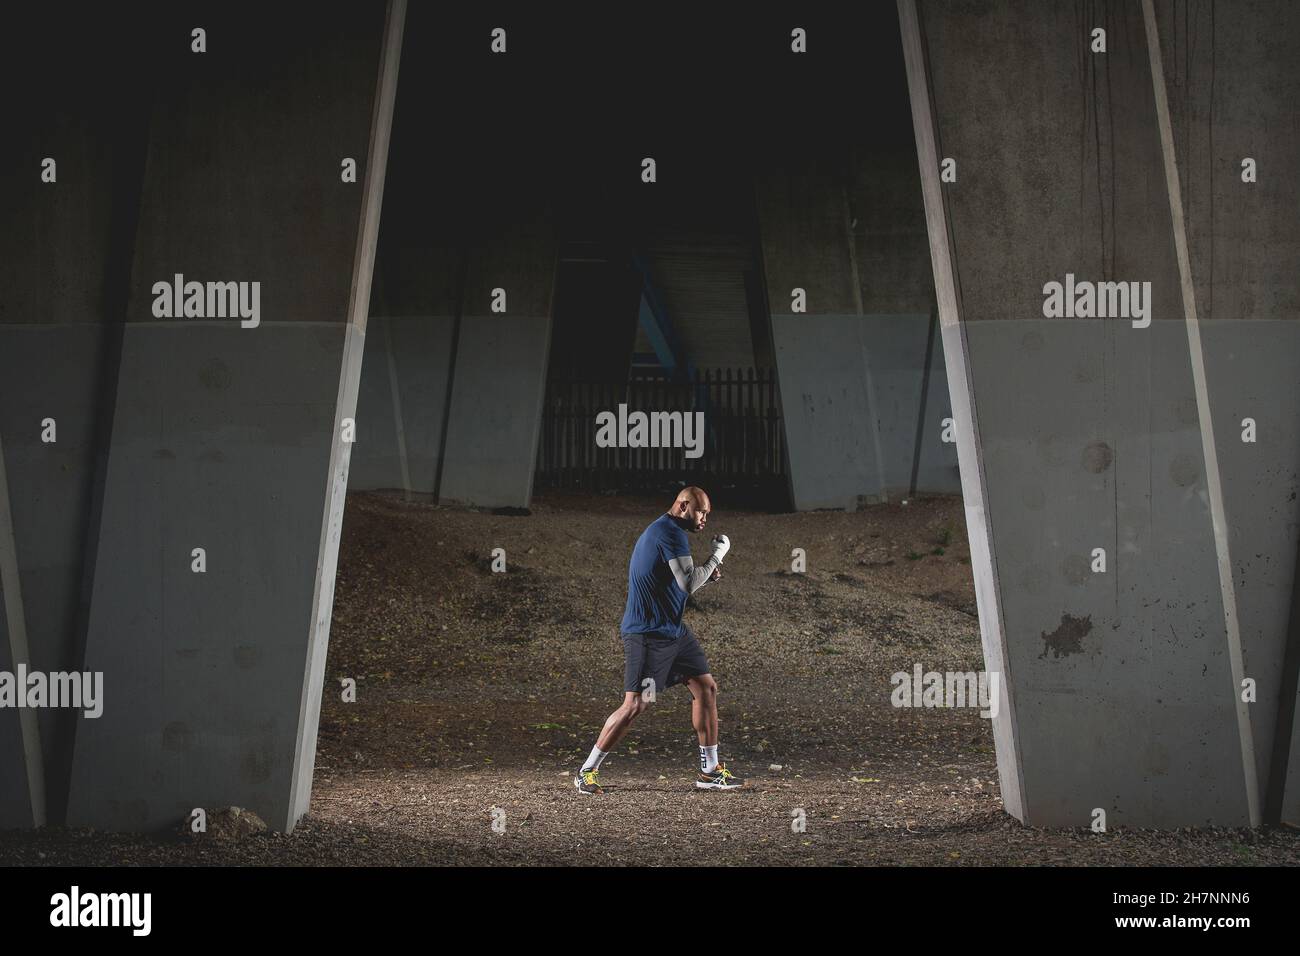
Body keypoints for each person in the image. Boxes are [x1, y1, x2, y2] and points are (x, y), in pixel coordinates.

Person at [574, 486, 744, 793]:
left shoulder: (671, 531)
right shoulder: (669, 533)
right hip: (647, 634)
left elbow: (680, 583)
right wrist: (718, 555)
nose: (704, 519)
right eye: (700, 512)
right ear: (682, 506)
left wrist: (707, 571)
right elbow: (690, 583)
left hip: (673, 631)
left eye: (707, 513)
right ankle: (587, 770)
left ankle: (709, 772)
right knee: (636, 704)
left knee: (706, 688)